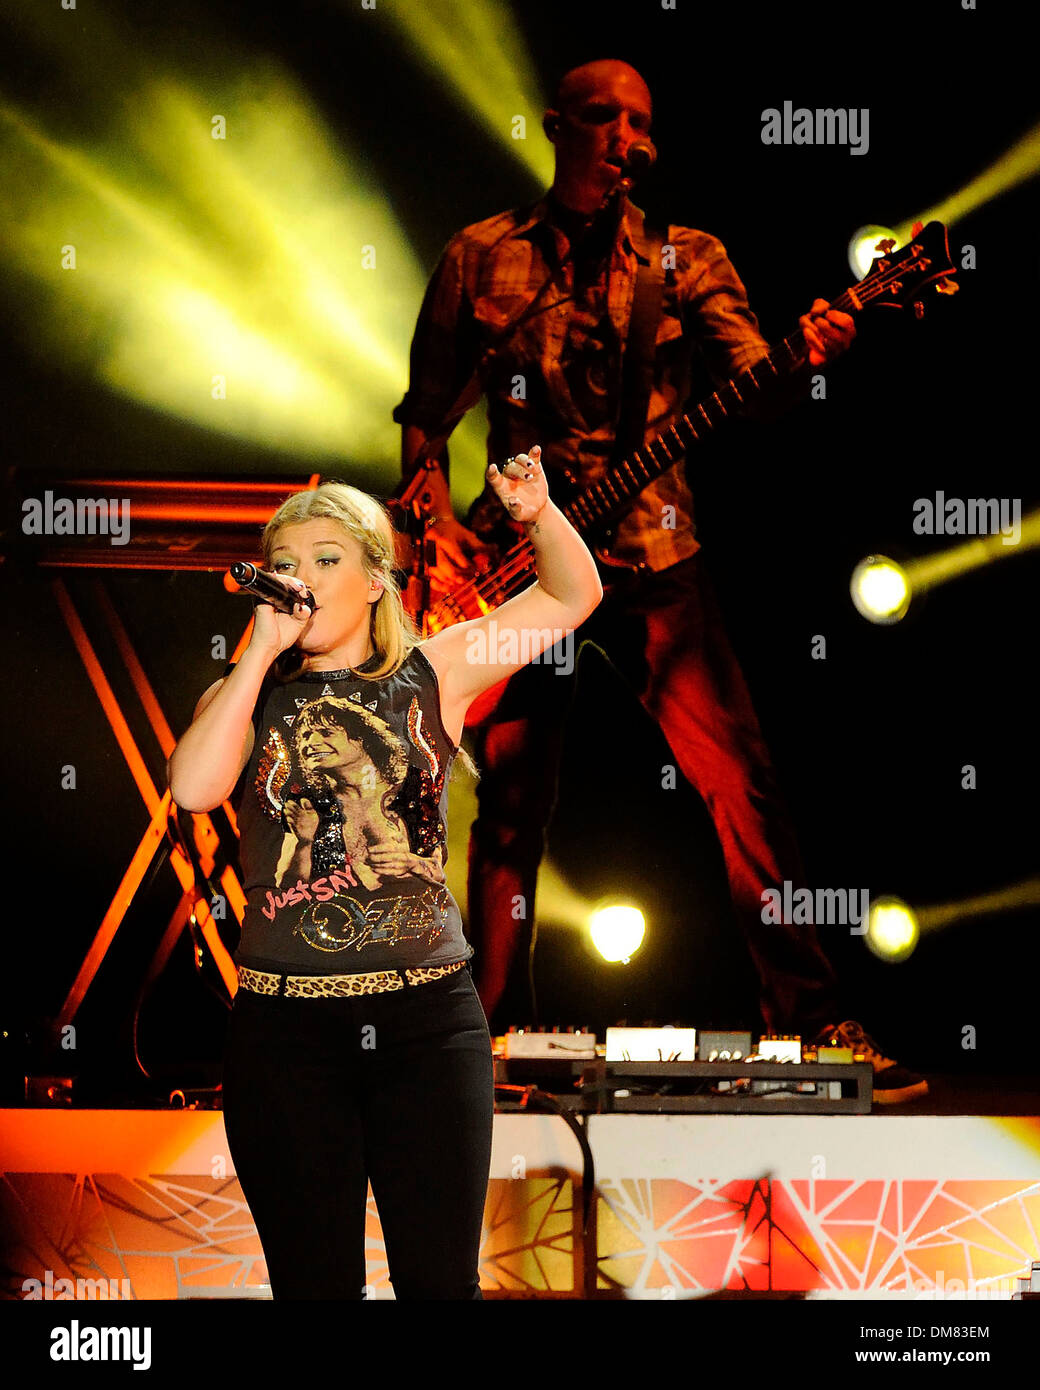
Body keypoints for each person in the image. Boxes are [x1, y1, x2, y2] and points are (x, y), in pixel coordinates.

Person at [394, 59, 927, 1103]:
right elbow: (424, 417)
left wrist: (815, 347)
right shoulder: (482, 257)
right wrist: (431, 525)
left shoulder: (687, 262)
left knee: (740, 782)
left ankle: (816, 1023)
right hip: (518, 566)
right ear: (558, 129)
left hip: (654, 551)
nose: (620, 135)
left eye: (638, 121)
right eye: (600, 117)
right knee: (508, 809)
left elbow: (756, 390)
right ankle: (479, 1047)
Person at [168, 453, 602, 1299]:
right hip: (284, 1035)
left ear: (376, 578)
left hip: (425, 1028)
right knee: (313, 1286)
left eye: (329, 560)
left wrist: (539, 514)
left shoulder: (435, 670)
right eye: (287, 565)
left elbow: (569, 597)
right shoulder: (241, 695)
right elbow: (194, 788)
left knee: (438, 1285)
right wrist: (256, 657)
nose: (306, 579)